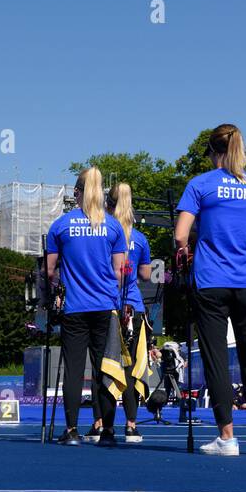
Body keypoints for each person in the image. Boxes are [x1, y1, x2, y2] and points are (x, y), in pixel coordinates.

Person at [174, 124, 246, 456]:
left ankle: (227, 436)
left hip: (211, 282)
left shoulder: (200, 184)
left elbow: (180, 235)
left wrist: (187, 251)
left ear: (215, 152)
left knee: (217, 360)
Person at [45, 166, 127, 447]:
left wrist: (61, 286)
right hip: (105, 305)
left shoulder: (61, 225)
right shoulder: (114, 226)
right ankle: (108, 431)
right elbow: (119, 272)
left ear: (77, 193)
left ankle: (70, 430)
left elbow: (50, 270)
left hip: (75, 307)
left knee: (74, 369)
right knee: (106, 368)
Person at [84, 183, 157, 444]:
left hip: (108, 305)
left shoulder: (103, 232)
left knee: (103, 366)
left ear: (109, 205)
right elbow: (147, 274)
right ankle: (131, 424)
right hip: (134, 306)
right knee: (130, 368)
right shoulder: (139, 237)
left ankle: (102, 423)